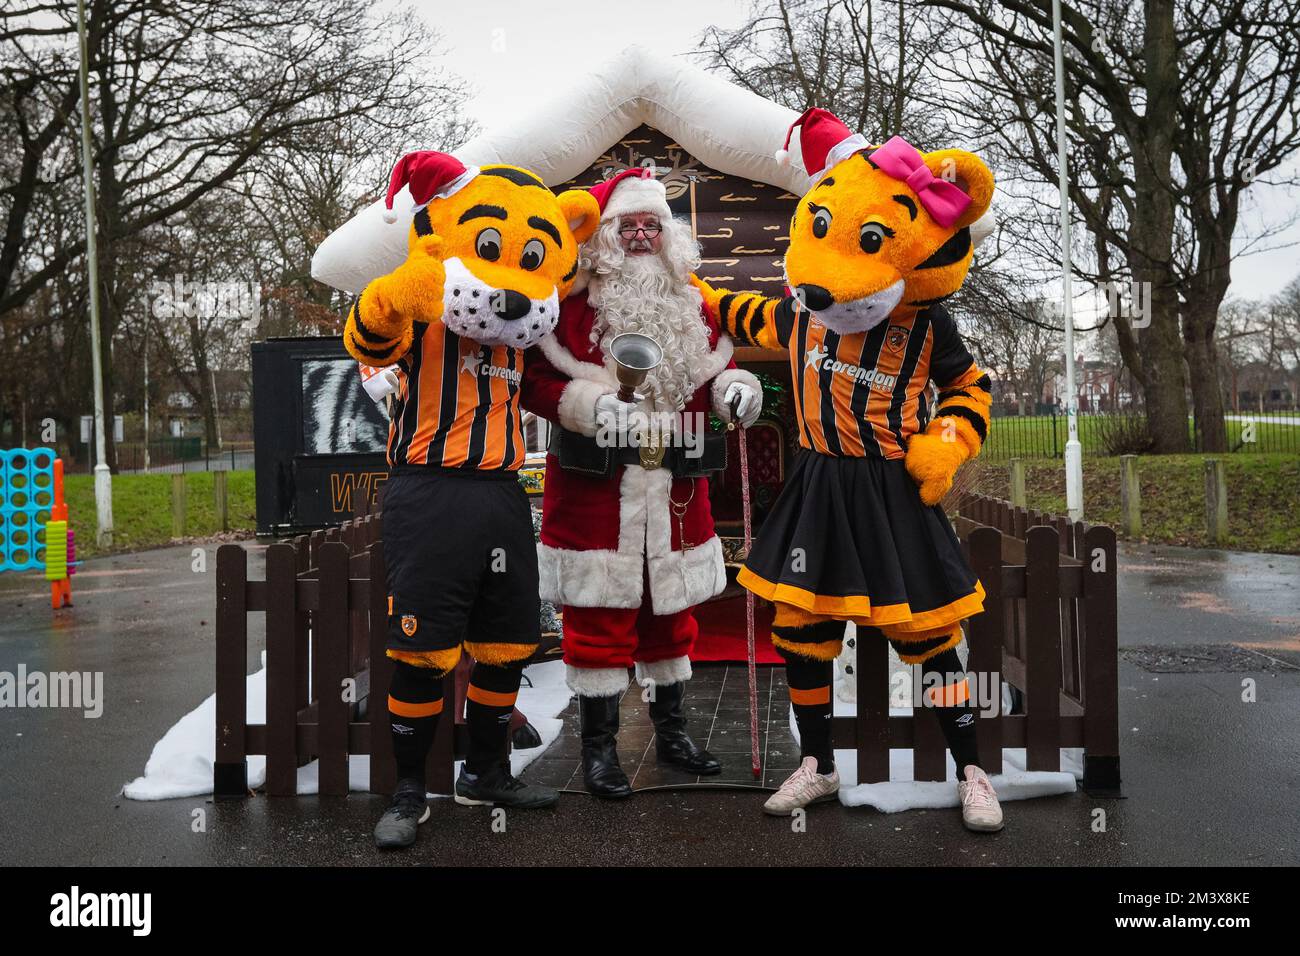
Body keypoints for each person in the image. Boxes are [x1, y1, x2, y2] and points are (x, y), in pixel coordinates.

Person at [694, 108, 1004, 831]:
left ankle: (974, 771)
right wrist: (696, 294)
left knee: (928, 636)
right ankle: (818, 765)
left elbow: (971, 388)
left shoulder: (927, 325)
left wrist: (950, 441)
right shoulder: (806, 314)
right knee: (800, 628)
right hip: (819, 485)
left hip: (892, 487)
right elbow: (741, 314)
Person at [343, 149, 599, 847]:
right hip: (429, 492)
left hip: (499, 493)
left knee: (508, 641)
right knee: (422, 650)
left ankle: (485, 772)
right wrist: (393, 293)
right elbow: (366, 334)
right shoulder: (430, 306)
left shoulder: (519, 330)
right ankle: (408, 790)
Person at [521, 168, 762, 798]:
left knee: (670, 616)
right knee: (597, 619)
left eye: (650, 225)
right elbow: (537, 386)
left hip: (678, 488)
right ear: (605, 236)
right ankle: (599, 747)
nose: (638, 236)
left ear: (668, 234)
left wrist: (737, 392)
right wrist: (587, 403)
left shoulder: (697, 306)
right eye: (626, 226)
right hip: (595, 490)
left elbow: (721, 376)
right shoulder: (569, 311)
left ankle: (673, 733)